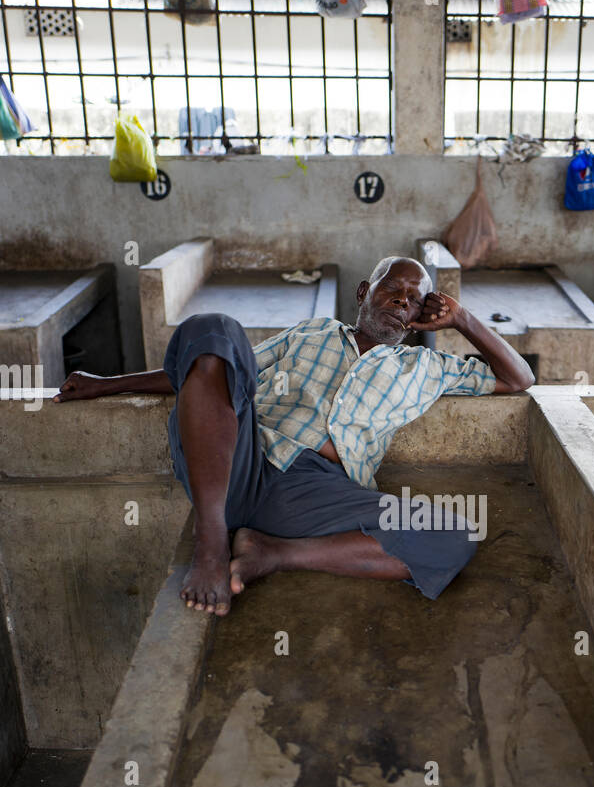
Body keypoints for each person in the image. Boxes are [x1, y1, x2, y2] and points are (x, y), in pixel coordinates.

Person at [54, 255, 534, 616]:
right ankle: (212, 537)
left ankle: (273, 553)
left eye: (414, 300)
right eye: (393, 290)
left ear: (418, 319)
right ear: (365, 291)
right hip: (240, 459)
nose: (402, 301)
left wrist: (461, 318)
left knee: (451, 535)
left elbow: (518, 380)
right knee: (214, 328)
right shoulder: (313, 332)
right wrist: (107, 384)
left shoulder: (424, 367)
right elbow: (217, 369)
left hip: (318, 493)